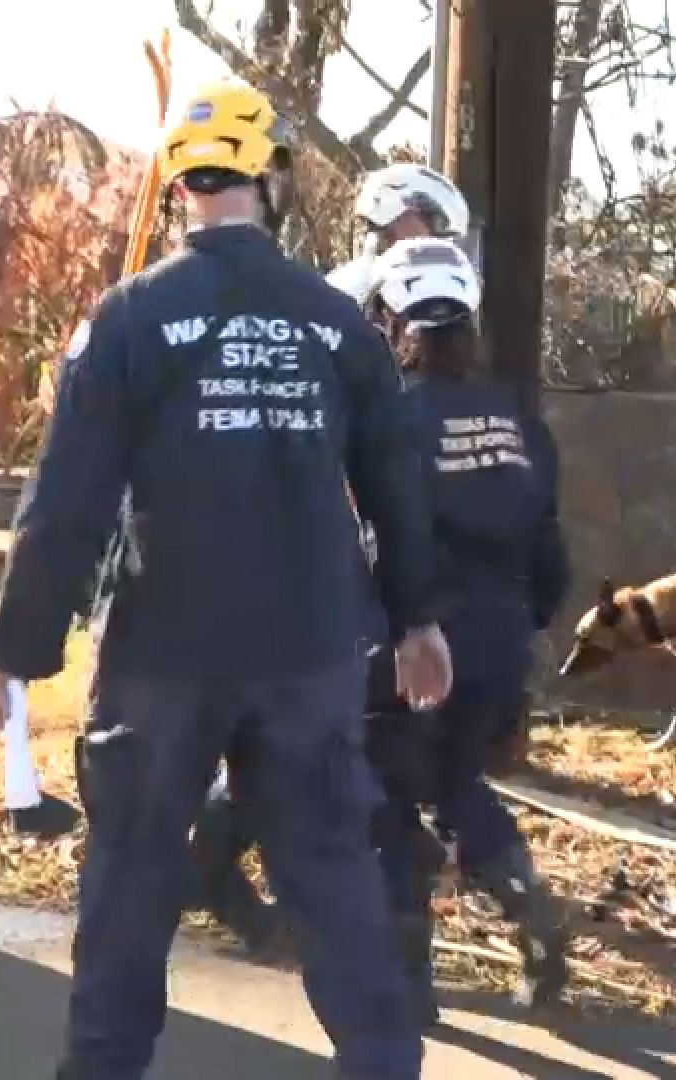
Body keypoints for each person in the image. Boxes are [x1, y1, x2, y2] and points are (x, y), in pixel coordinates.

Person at [0, 76, 453, 1080]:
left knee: (131, 880)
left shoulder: (130, 318)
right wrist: (418, 620)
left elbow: (66, 498)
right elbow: (397, 484)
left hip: (164, 649)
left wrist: (19, 646)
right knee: (332, 878)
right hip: (310, 647)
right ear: (270, 178)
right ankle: (382, 1063)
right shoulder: (336, 323)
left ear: (177, 186)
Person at [188, 161, 473, 948]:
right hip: (304, 560)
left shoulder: (405, 311)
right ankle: (210, 863)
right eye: (423, 225)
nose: (434, 243)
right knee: (290, 741)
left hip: (349, 578)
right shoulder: (340, 305)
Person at [362, 236, 572, 1011]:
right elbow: (550, 546)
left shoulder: (392, 421)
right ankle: (527, 904)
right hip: (502, 636)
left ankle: (406, 977)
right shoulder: (517, 419)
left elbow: (386, 539)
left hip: (418, 638)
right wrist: (527, 627)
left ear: (393, 322)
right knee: (458, 784)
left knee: (385, 791)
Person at [327, 163, 472, 306]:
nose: (439, 241)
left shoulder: (429, 287)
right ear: (390, 211)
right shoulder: (351, 291)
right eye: (432, 220)